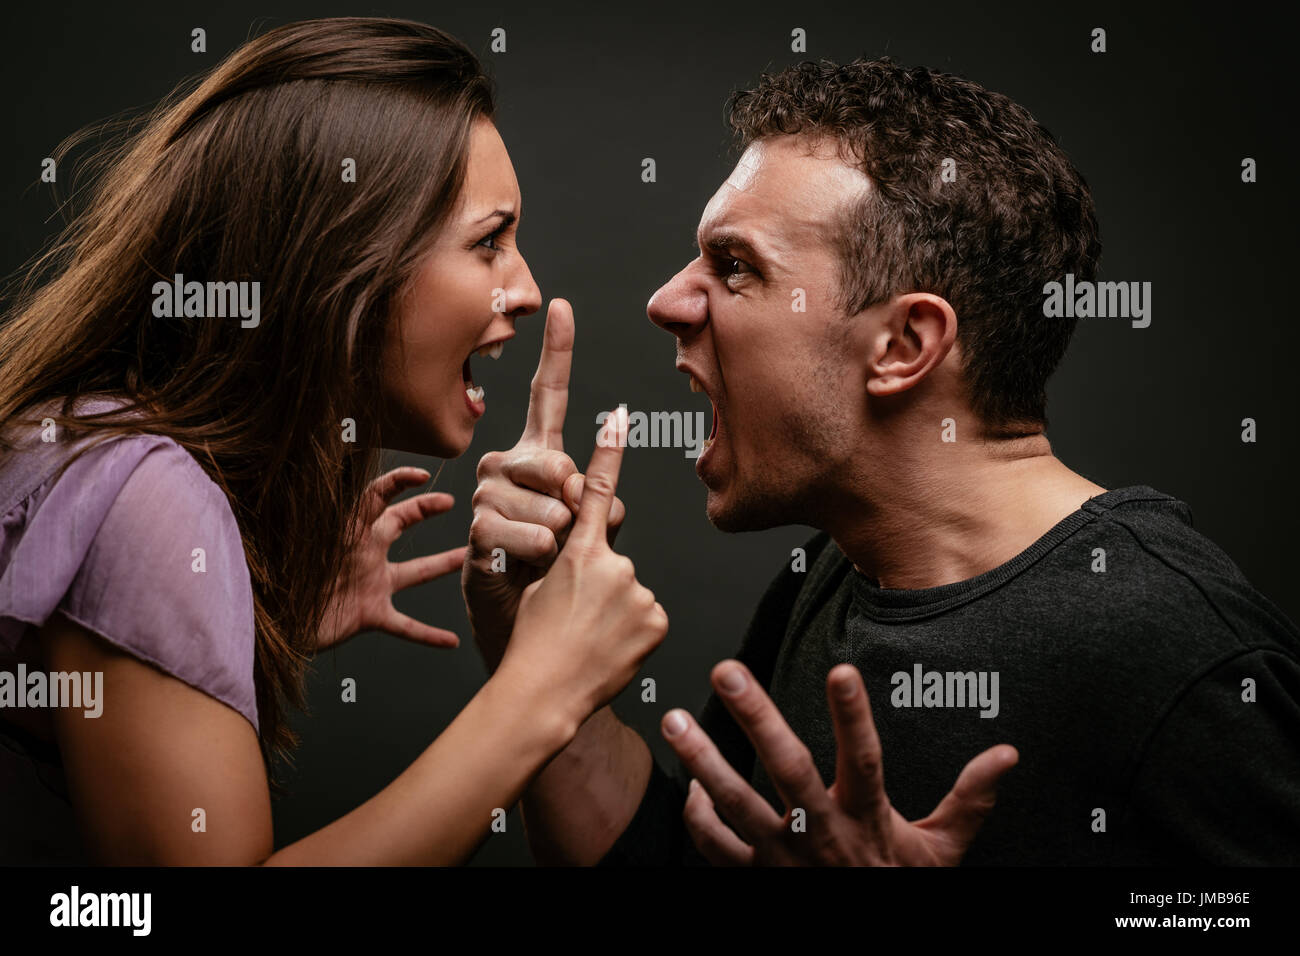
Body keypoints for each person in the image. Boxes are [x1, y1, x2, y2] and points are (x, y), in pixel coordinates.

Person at [461, 58, 1300, 865]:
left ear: (903, 345)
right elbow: (671, 858)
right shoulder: (835, 570)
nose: (667, 301)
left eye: (735, 266)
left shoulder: (1174, 646)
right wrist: (529, 646)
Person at [0, 17, 666, 865]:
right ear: (342, 263)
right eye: (489, 242)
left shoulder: (81, 436)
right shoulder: (139, 491)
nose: (527, 289)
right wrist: (544, 686)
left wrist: (237, 613)